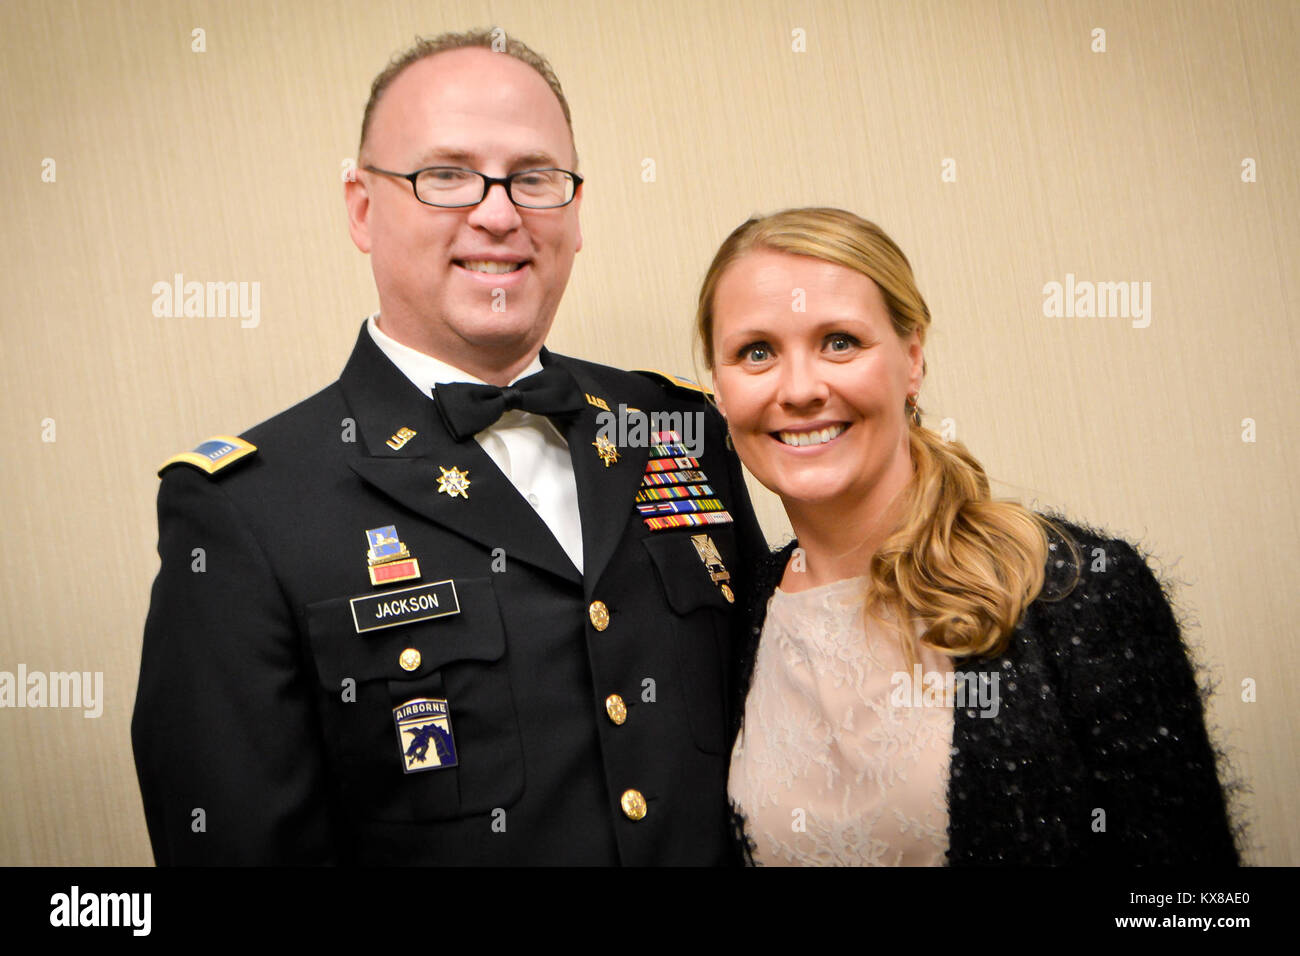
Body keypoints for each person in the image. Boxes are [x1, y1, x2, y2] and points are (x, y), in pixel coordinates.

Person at [131, 30, 765, 865]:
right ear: (362, 208)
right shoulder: (245, 509)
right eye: (447, 176)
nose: (498, 214)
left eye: (535, 178)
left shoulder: (673, 427)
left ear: (576, 213)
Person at [694, 207, 1239, 865]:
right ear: (719, 390)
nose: (802, 388)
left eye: (840, 341)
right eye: (757, 352)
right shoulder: (730, 616)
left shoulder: (1070, 587)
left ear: (912, 359)